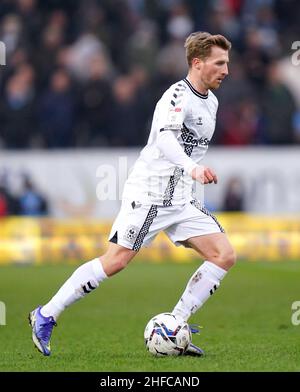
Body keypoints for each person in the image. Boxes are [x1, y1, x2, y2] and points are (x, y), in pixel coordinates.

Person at [29, 31, 236, 356]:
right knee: (116, 261)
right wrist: (193, 168)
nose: (226, 70)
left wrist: (191, 173)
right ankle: (46, 314)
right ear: (197, 63)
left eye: (227, 63)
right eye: (219, 63)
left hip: (180, 197)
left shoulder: (211, 100)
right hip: (151, 192)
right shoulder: (176, 97)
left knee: (224, 254)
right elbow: (166, 140)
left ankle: (175, 325)